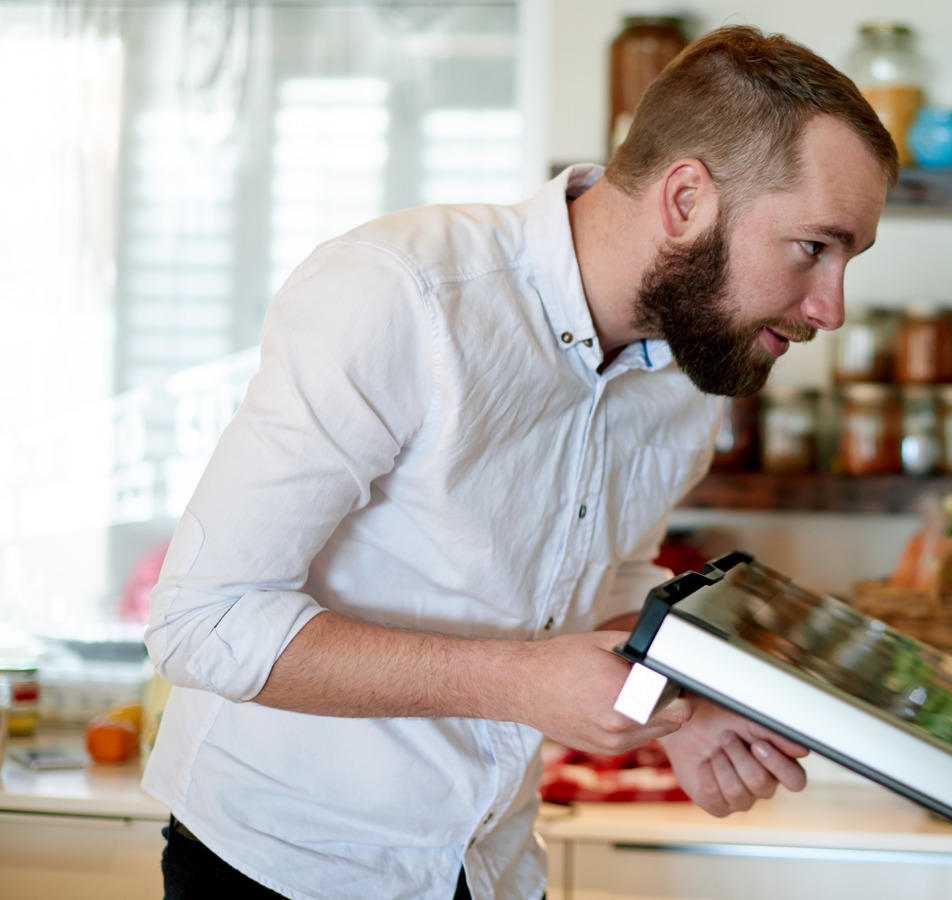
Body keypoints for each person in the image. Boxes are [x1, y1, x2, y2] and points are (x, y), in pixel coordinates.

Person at [142, 25, 896, 900]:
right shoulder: (402, 293)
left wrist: (677, 709)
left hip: (492, 870)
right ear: (687, 198)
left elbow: (607, 583)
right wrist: (522, 682)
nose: (832, 307)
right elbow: (206, 621)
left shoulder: (692, 374)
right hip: (278, 867)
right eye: (814, 246)